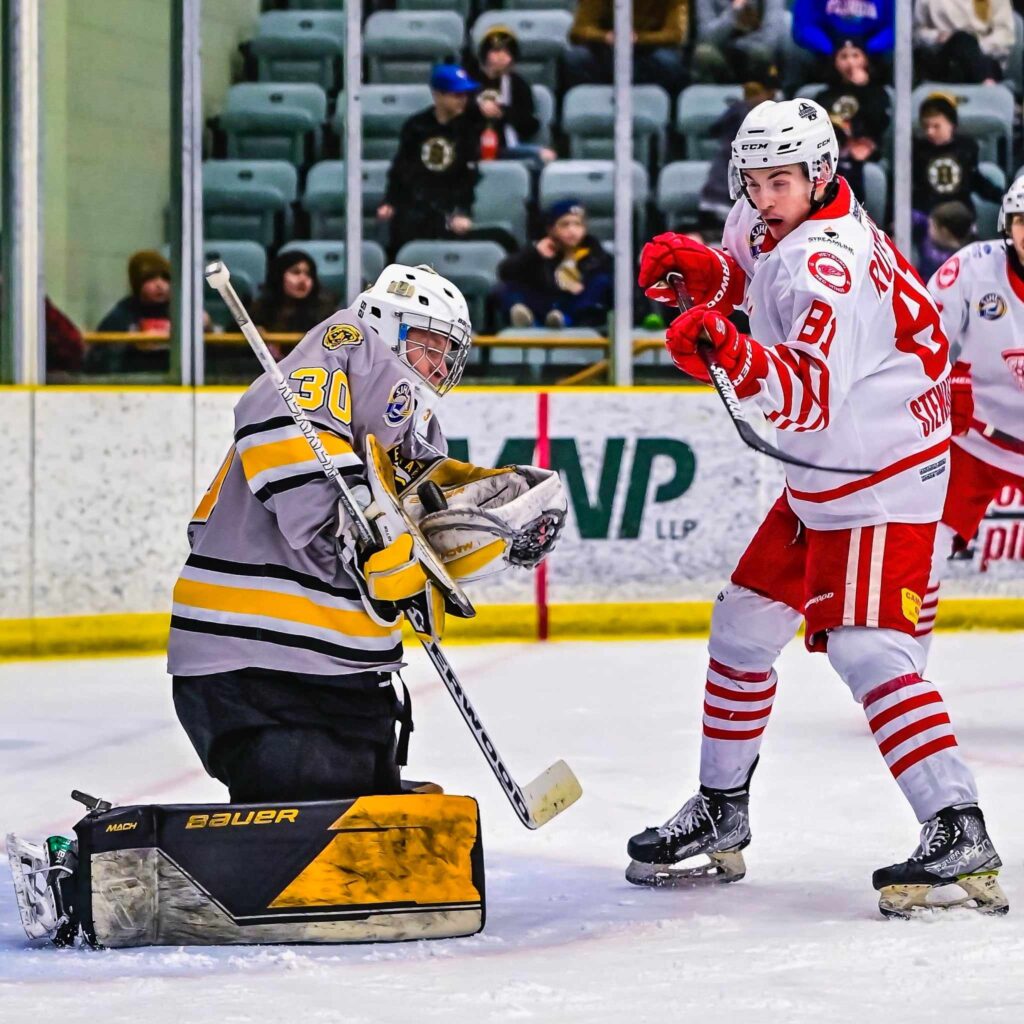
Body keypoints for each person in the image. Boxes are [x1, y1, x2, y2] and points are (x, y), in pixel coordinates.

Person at [629, 98, 1007, 918]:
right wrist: (712, 278)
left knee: (871, 651)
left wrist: (726, 348)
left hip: (880, 477)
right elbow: (758, 279)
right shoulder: (774, 226)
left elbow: (808, 400)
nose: (765, 196)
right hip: (828, 474)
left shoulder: (826, 264)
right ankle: (722, 811)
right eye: (754, 179)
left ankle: (959, 824)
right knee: (741, 625)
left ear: (820, 176)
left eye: (782, 181)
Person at [167, 262, 566, 806]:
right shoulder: (336, 353)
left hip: (342, 670)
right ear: (384, 323)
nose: (440, 365)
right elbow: (280, 437)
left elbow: (399, 542)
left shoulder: (410, 429)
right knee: (315, 828)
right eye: (429, 345)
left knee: (364, 824)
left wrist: (457, 539)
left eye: (448, 355)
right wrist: (364, 525)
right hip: (257, 662)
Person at [916, 177, 1024, 650]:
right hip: (975, 439)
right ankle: (901, 678)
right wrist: (945, 382)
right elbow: (917, 339)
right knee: (923, 554)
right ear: (1007, 223)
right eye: (1023, 222)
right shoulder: (972, 268)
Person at [378, 65, 481, 257]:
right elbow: (401, 167)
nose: (463, 100)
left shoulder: (468, 128)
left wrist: (462, 211)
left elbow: (468, 176)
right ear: (438, 95)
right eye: (457, 95)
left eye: (465, 95)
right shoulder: (416, 126)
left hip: (449, 203)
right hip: (417, 202)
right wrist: (390, 200)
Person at [497, 199, 613, 329]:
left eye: (577, 224)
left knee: (600, 282)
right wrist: (534, 254)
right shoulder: (539, 250)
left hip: (576, 308)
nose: (572, 231)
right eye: (564, 225)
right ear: (551, 229)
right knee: (509, 288)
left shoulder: (595, 252)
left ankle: (564, 320)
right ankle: (529, 322)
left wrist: (579, 282)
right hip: (546, 304)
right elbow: (505, 272)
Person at [465, 25, 556, 167]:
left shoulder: (519, 85)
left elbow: (529, 126)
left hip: (508, 147)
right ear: (485, 53)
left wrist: (504, 112)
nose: (501, 57)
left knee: (546, 156)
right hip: (471, 146)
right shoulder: (466, 80)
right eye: (495, 51)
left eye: (507, 52)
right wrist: (478, 108)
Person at [817, 41, 890, 203]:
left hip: (866, 152)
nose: (850, 62)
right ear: (835, 62)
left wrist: (863, 88)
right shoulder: (824, 96)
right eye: (844, 56)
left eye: (855, 55)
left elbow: (878, 124)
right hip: (831, 153)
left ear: (865, 60)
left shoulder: (877, 93)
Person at [564, 0, 689, 94]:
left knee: (669, 63)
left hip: (650, 49)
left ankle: (667, 121)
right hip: (606, 49)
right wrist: (607, 37)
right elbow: (579, 30)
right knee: (575, 59)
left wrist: (637, 38)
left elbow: (675, 35)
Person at [699, 79, 777, 230]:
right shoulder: (739, 112)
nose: (752, 98)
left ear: (770, 94)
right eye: (748, 93)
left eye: (756, 93)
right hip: (720, 201)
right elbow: (714, 130)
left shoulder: (780, 118)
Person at [912, 94, 1003, 221]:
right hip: (927, 216)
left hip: (961, 214)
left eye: (936, 126)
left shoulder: (966, 147)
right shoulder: (917, 150)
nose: (930, 132)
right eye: (926, 126)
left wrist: (1003, 198)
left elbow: (975, 180)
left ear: (952, 125)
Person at [914, 0, 1013, 83]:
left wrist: (975, 46)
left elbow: (1004, 35)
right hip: (943, 59)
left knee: (965, 42)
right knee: (961, 40)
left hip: (985, 57)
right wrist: (936, 36)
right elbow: (916, 33)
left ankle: (986, 82)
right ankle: (988, 87)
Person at [692, 0, 788, 85]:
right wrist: (734, 12)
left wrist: (737, 45)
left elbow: (771, 40)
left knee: (762, 54)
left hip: (755, 53)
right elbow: (706, 37)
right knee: (704, 53)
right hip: (721, 53)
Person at [249, 249, 339, 336]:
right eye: (296, 272)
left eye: (308, 274)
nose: (303, 280)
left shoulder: (325, 314)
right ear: (278, 276)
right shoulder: (259, 311)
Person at [790, 0, 895, 67]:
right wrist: (832, 49)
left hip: (875, 56)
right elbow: (803, 27)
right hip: (825, 56)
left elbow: (896, 29)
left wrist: (867, 48)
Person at [912, 199, 975, 282]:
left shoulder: (958, 260)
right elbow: (913, 216)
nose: (928, 225)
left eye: (932, 225)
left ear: (944, 231)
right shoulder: (928, 230)